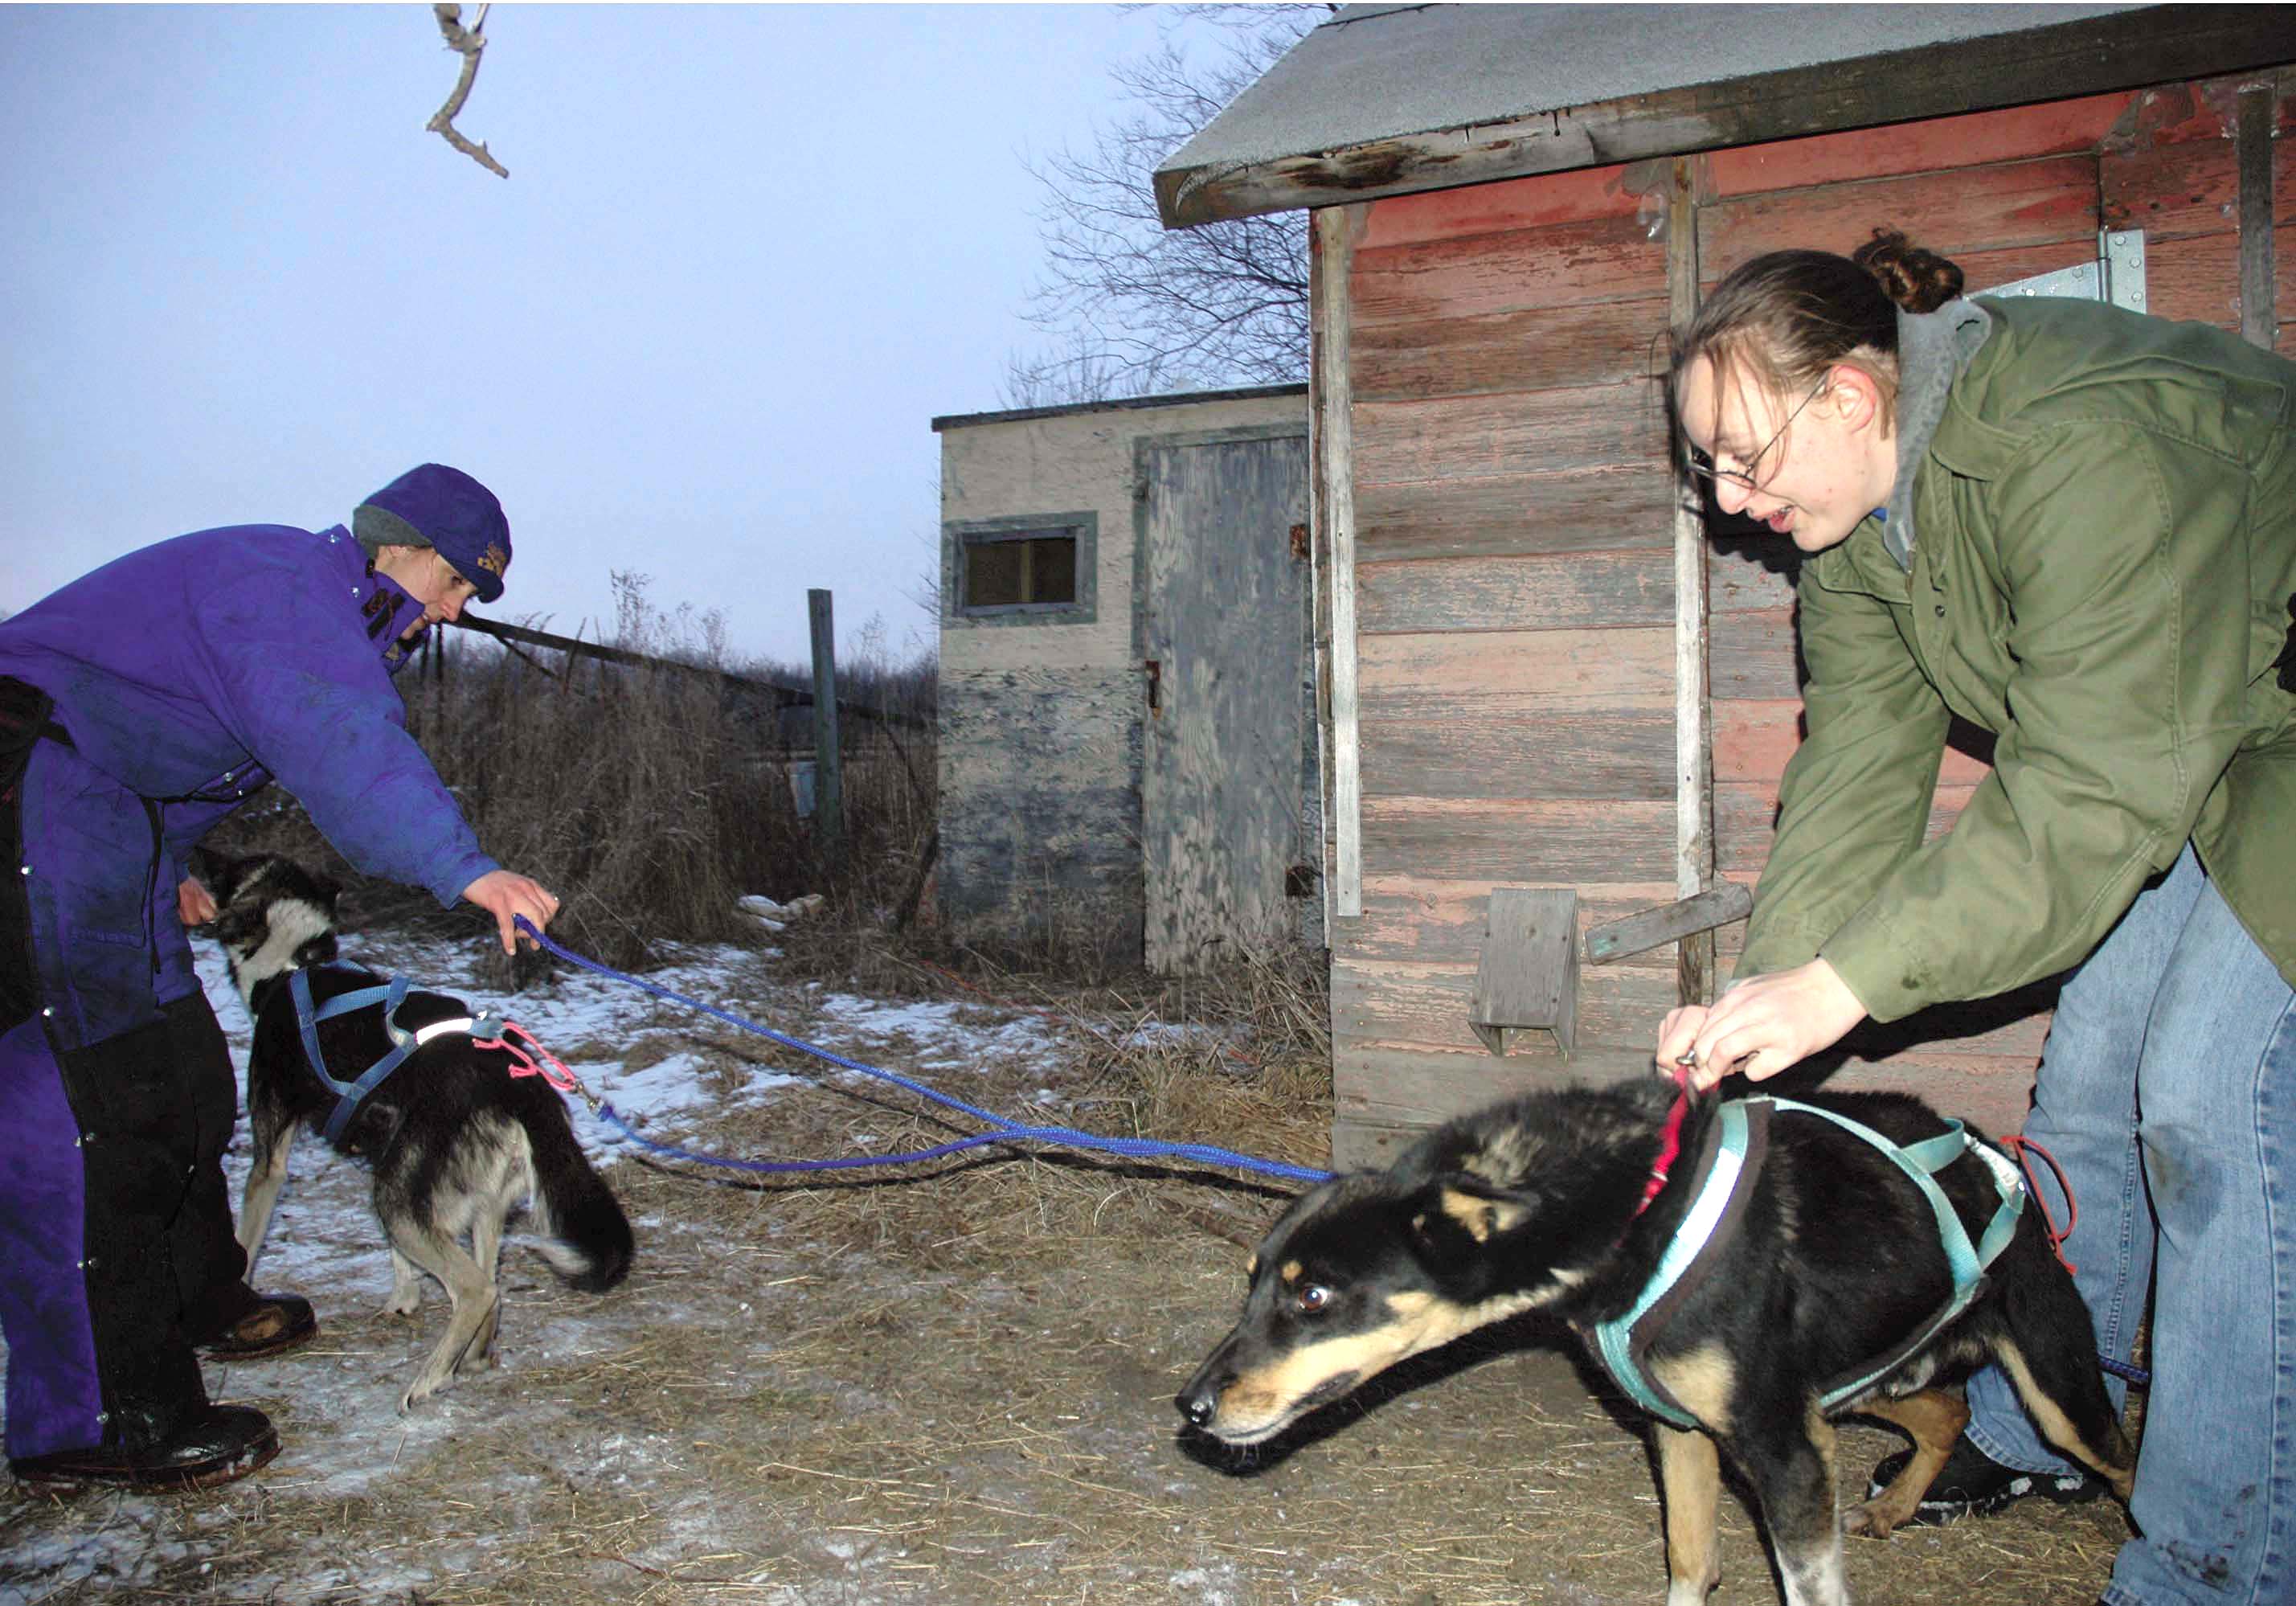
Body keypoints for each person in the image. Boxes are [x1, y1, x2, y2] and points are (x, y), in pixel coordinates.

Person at [1652, 231, 2296, 1605]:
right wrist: (1766, 999)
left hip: (2256, 732)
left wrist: (1849, 982)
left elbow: (2087, 788)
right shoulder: (1856, 532)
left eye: (1743, 458)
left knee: (2209, 1099)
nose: (1727, 499)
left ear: (1850, 395)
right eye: (1707, 468)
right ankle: (2033, 1428)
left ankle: (2222, 1564)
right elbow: (1854, 769)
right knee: (2088, 1084)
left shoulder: (2077, 445)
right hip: (2189, 736)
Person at [0, 463, 561, 1491]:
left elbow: (174, 743)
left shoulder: (321, 609)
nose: (451, 612)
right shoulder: (288, 592)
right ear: (399, 547)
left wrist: (165, 861)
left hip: (104, 819)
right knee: (86, 1109)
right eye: (453, 584)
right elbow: (346, 746)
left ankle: (196, 1298)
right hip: (26, 791)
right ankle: (90, 1415)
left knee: (183, 1074)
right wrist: (466, 869)